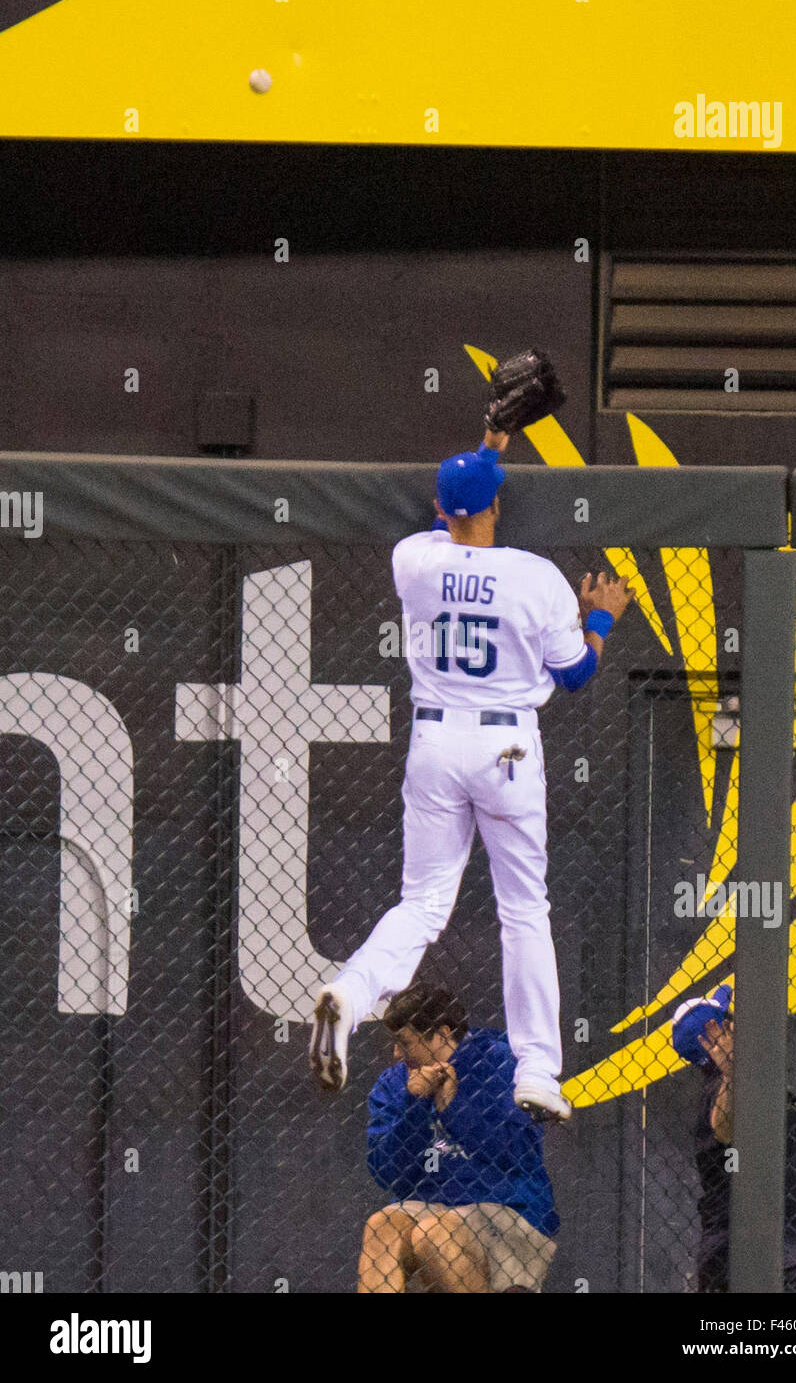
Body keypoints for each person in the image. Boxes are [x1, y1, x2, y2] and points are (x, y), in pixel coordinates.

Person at [310, 430, 634, 1120]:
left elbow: (447, 519)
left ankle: (351, 993)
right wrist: (600, 616)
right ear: (498, 506)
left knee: (422, 904)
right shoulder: (536, 576)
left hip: (433, 740)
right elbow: (576, 675)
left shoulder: (413, 560)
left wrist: (486, 445)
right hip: (505, 748)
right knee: (522, 911)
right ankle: (538, 1072)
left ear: (437, 505)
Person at [358, 982, 558, 1293]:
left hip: (506, 1207)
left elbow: (520, 1154)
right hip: (431, 1206)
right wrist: (415, 1107)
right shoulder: (395, 1083)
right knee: (382, 1227)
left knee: (435, 1234)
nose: (397, 1054)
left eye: (404, 1043)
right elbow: (389, 1175)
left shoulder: (501, 1061)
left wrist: (454, 1110)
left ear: (442, 1033)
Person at [673, 985, 796, 1293]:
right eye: (731, 1019)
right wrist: (732, 1073)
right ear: (716, 1037)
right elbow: (724, 1129)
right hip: (746, 1243)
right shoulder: (719, 1093)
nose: (741, 1021)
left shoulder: (764, 1087)